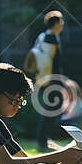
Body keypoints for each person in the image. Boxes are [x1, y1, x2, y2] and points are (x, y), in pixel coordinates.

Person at [34, 10, 66, 151]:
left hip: (51, 78)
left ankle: (45, 140)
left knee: (51, 109)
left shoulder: (46, 36)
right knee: (50, 109)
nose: (63, 24)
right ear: (56, 23)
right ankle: (43, 142)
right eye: (61, 21)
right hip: (51, 79)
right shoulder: (50, 37)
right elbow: (46, 61)